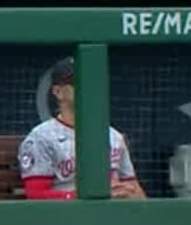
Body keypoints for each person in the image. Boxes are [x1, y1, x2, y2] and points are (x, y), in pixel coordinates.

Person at [18, 58, 145, 200]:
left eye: (91, 83)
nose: (86, 87)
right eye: (76, 83)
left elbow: (134, 188)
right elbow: (36, 195)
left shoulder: (113, 136)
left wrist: (132, 196)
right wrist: (86, 197)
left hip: (111, 215)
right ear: (58, 92)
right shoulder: (42, 138)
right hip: (65, 217)